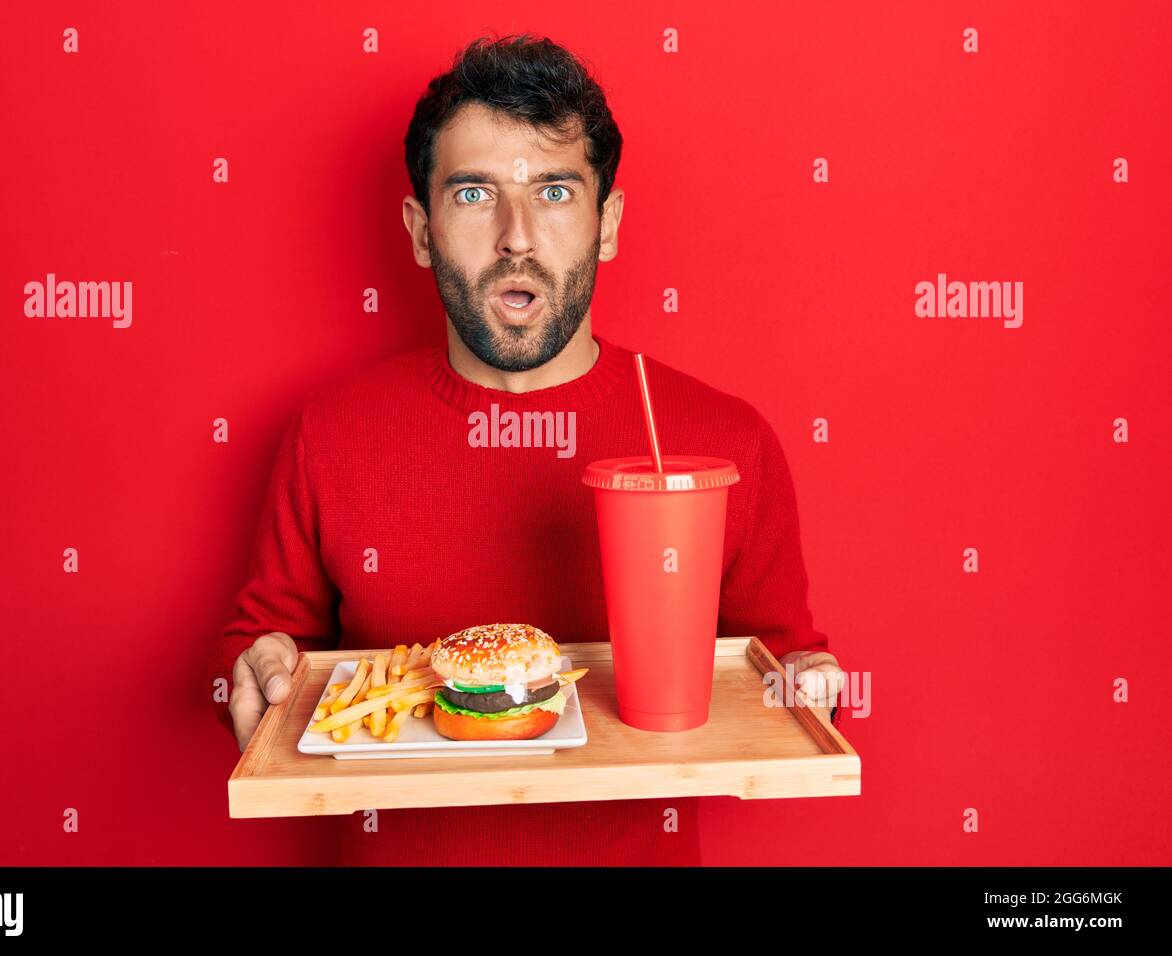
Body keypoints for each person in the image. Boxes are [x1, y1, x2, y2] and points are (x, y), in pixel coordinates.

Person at [209, 33, 846, 867]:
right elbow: (260, 649)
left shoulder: (723, 441)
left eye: (554, 190)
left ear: (606, 224)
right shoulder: (330, 433)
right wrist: (252, 675)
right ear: (420, 229)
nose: (516, 236)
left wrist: (815, 686)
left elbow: (787, 670)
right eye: (474, 193)